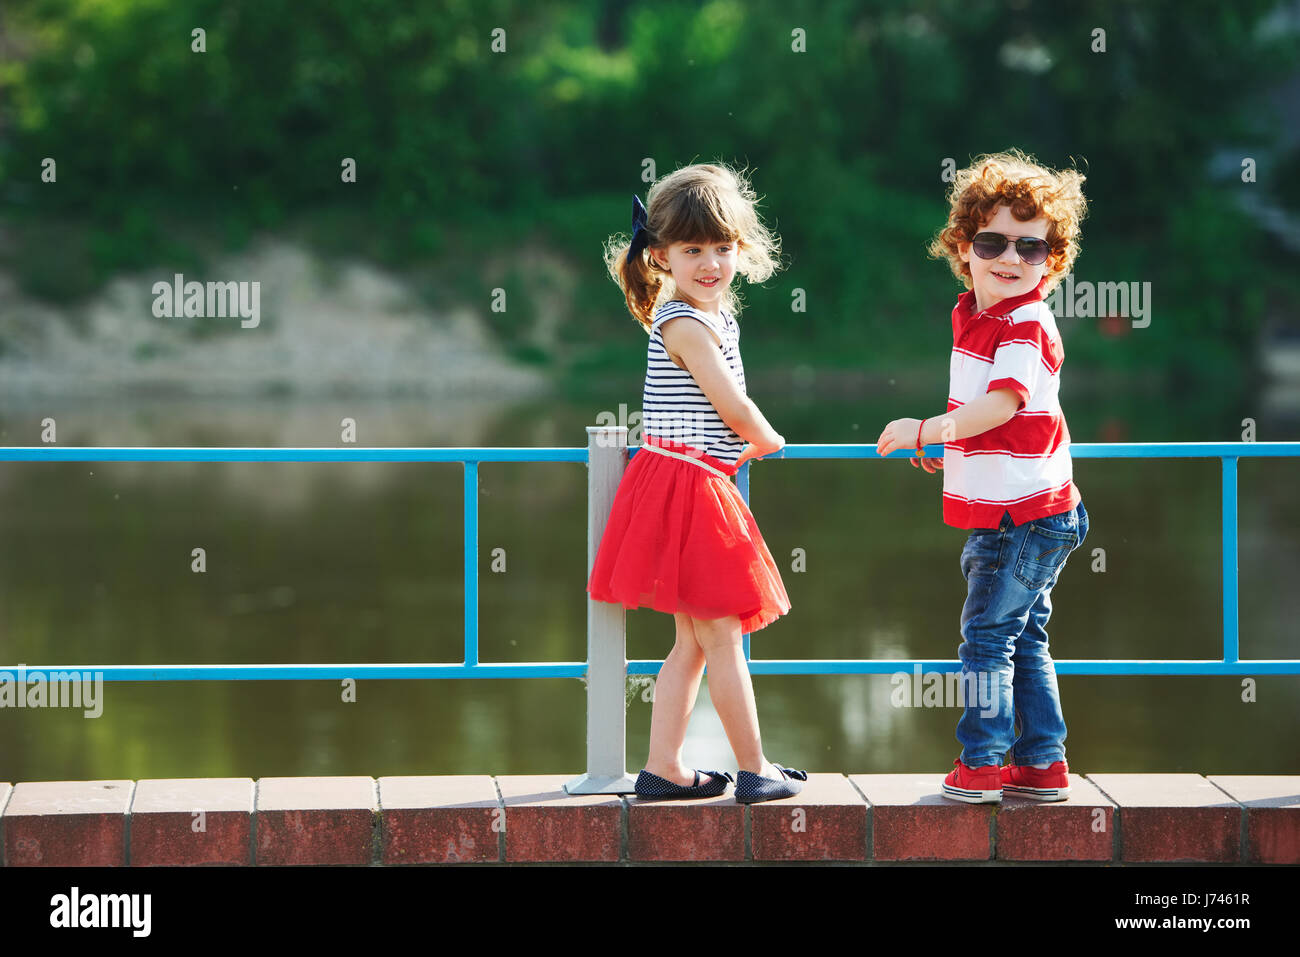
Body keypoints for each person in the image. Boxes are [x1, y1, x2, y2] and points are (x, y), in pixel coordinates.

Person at [587, 163, 805, 804]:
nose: (710, 263)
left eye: (722, 247)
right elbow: (732, 407)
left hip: (690, 479)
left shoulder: (710, 315)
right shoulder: (682, 322)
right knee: (722, 637)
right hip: (688, 487)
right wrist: (768, 440)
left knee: (693, 640)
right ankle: (754, 768)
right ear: (661, 257)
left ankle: (665, 769)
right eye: (692, 251)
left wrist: (738, 441)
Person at [876, 150, 1090, 803]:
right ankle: (1042, 762)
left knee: (986, 638)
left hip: (1028, 514)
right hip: (1013, 507)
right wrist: (955, 445)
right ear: (962, 248)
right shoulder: (975, 314)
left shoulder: (1027, 321)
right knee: (1022, 634)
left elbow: (1001, 404)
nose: (1010, 257)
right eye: (992, 240)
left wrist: (923, 431)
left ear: (1051, 262)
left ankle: (983, 763)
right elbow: (980, 409)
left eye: (1031, 247)